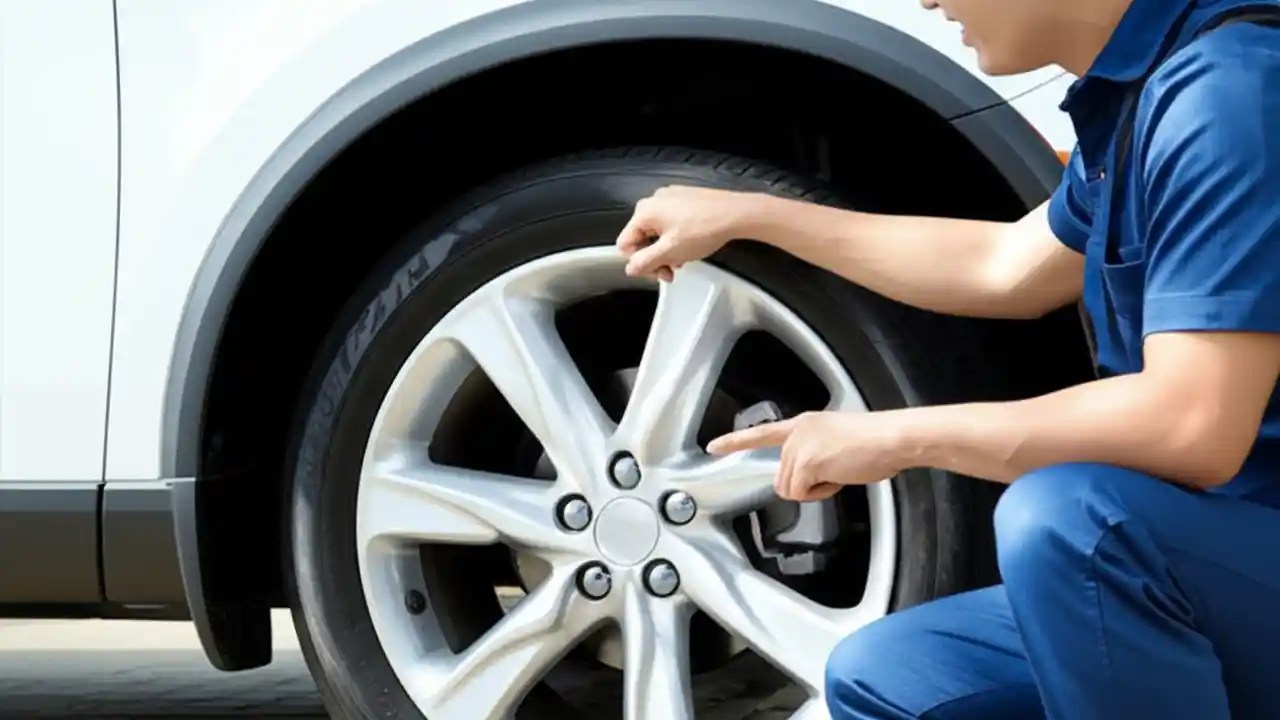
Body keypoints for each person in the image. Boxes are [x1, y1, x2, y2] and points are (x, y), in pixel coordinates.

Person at [614, 0, 1280, 718]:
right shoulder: (1147, 90)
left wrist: (898, 437)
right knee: (888, 676)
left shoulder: (1227, 95)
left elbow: (1189, 425)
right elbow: (1005, 266)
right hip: (1224, 566)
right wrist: (755, 215)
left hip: (1243, 550)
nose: (926, 0)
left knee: (1071, 524)